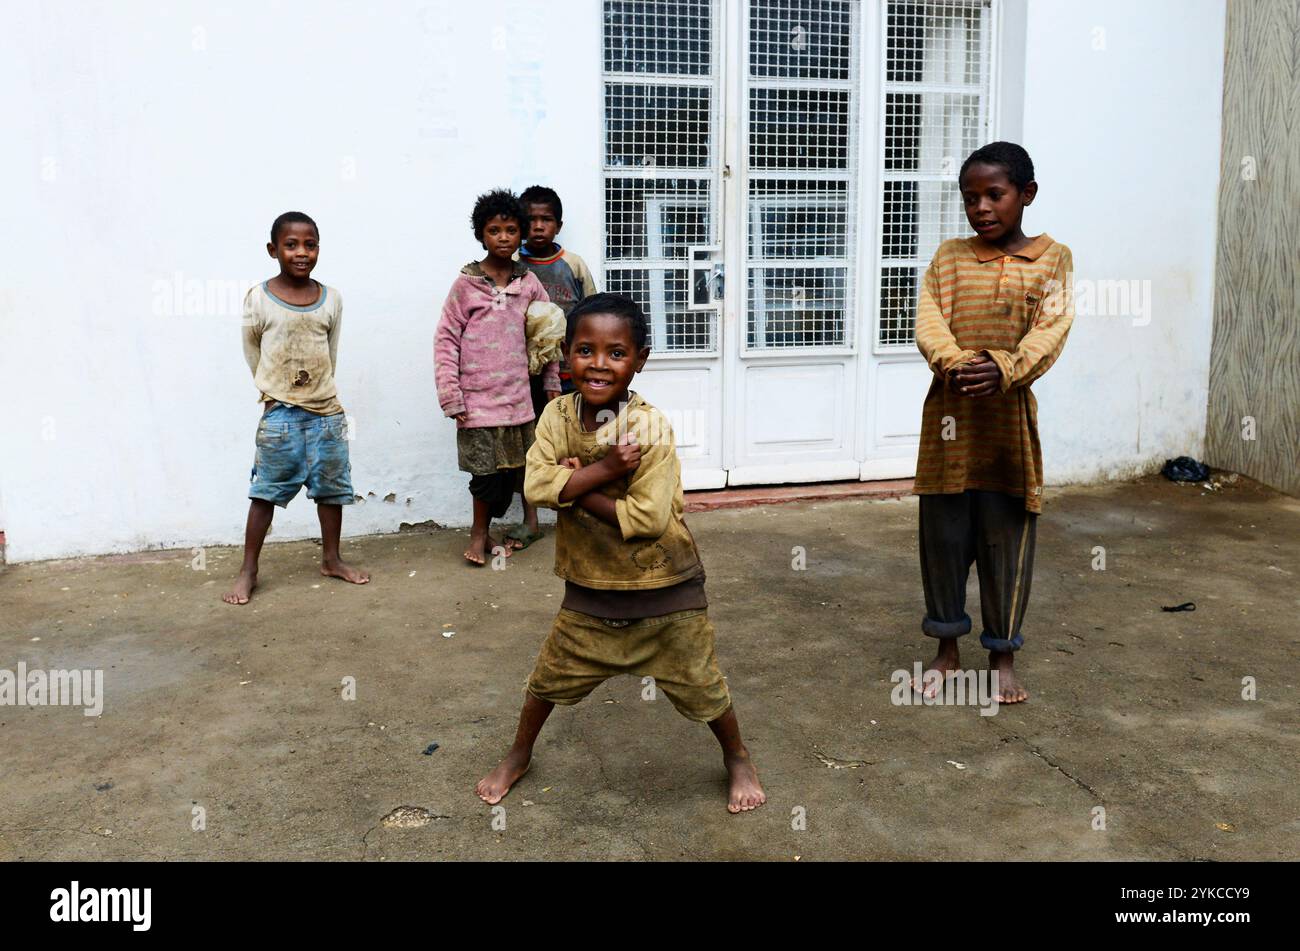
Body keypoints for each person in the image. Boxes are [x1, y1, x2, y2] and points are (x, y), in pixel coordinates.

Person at [475, 293, 766, 813]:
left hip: (666, 592)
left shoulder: (648, 427)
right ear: (565, 354)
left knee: (703, 688)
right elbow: (536, 482)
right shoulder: (556, 417)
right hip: (590, 592)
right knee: (547, 680)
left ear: (640, 359)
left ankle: (737, 757)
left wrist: (580, 483)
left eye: (616, 352)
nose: (599, 364)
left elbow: (650, 519)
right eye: (585, 350)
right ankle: (519, 754)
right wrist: (604, 474)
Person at [911, 141, 1074, 703]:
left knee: (1006, 539)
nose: (981, 207)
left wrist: (1004, 367)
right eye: (970, 197)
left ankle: (1002, 656)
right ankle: (947, 651)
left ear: (1026, 195)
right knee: (944, 539)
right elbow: (928, 319)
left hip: (1007, 429)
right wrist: (955, 363)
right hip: (949, 426)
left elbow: (1051, 330)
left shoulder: (1053, 259)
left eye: (994, 195)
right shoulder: (949, 258)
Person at [223, 211, 369, 604]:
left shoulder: (331, 299)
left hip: (327, 413)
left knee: (332, 490)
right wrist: (276, 394)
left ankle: (332, 559)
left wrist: (317, 393)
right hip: (281, 415)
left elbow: (331, 353)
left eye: (310, 244)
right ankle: (248, 569)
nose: (301, 253)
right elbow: (252, 350)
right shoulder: (259, 298)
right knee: (265, 492)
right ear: (274, 250)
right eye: (291, 245)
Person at [434, 189, 559, 564]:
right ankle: (478, 535)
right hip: (477, 403)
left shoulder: (529, 283)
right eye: (494, 231)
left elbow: (548, 334)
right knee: (484, 476)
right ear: (481, 235)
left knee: (515, 472)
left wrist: (552, 385)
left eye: (510, 230)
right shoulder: (466, 285)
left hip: (518, 401)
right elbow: (445, 339)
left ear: (520, 233)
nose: (503, 238)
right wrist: (451, 396)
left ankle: (512, 527)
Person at [518, 184, 598, 403]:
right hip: (527, 372)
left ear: (559, 226)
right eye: (531, 220)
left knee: (569, 427)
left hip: (568, 369)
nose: (538, 227)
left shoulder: (574, 264)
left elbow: (592, 313)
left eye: (546, 219)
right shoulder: (513, 266)